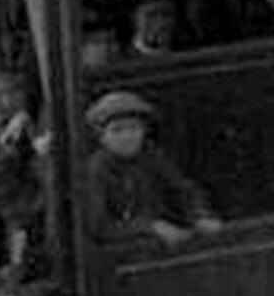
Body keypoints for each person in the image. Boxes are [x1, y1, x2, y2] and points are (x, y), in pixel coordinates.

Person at [84, 90, 220, 246]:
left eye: (134, 128)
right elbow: (99, 227)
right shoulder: (95, 171)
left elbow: (182, 190)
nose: (127, 136)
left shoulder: (151, 158)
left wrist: (200, 216)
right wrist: (150, 227)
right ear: (101, 137)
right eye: (117, 130)